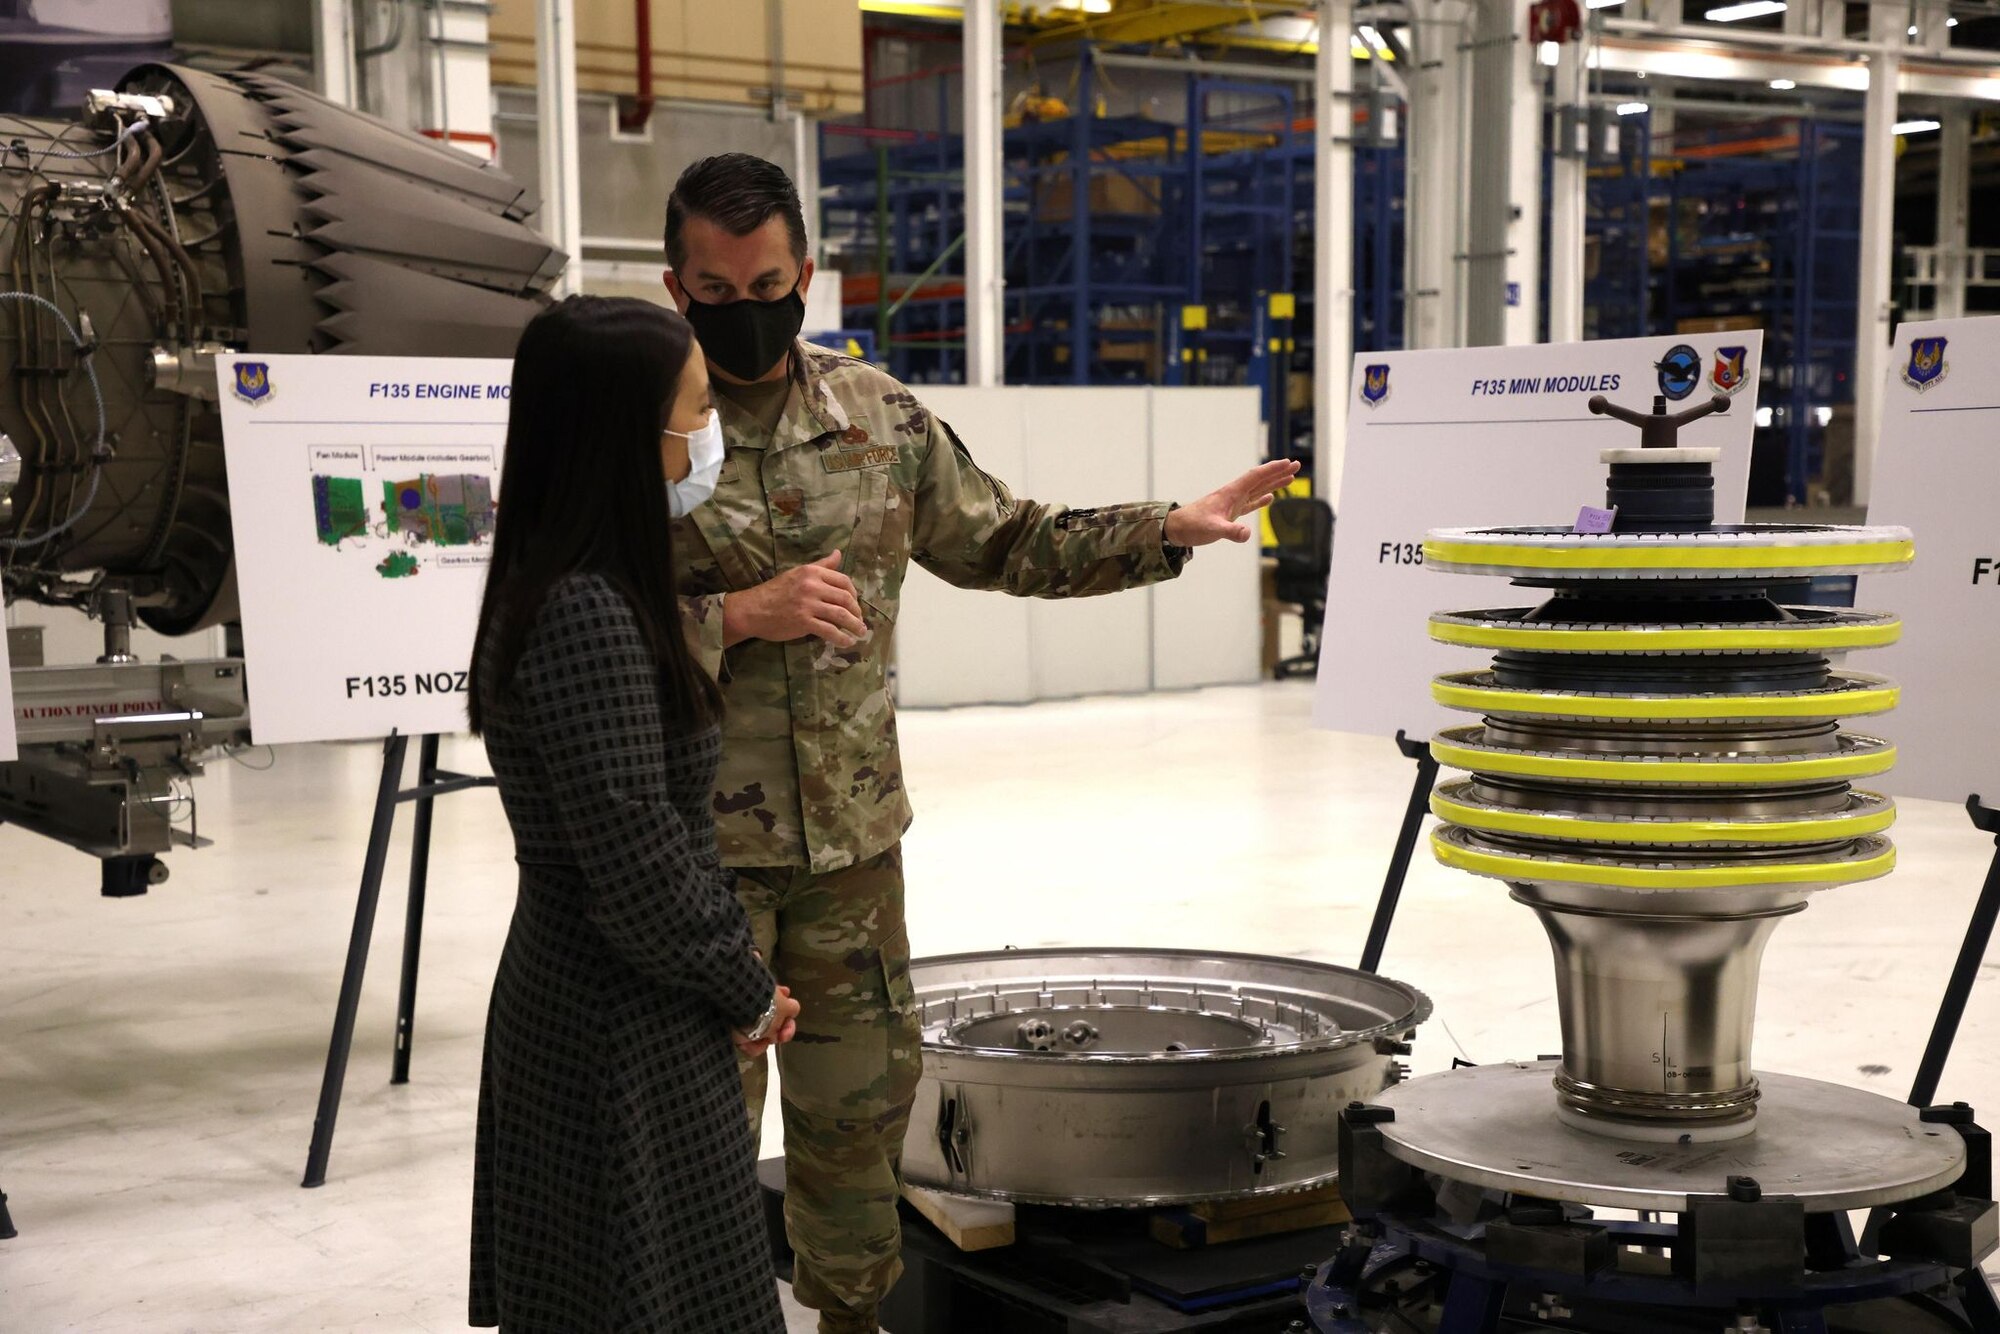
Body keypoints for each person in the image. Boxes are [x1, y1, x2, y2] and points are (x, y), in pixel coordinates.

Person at [662, 153, 1301, 1334]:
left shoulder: (876, 414)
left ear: (805, 273)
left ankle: (848, 1321)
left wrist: (1165, 526)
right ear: (675, 285)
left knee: (856, 1126)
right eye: (715, 287)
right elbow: (572, 620)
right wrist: (731, 615)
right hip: (698, 862)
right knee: (691, 1139)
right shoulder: (640, 433)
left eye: (765, 282)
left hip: (852, 859)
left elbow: (1007, 538)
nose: (743, 308)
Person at [465, 295, 802, 1333]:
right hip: (616, 1026)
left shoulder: (581, 584)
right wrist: (747, 987)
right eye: (695, 407)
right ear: (624, 431)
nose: (709, 432)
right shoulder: (585, 613)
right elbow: (638, 859)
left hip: (621, 1002)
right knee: (636, 1294)